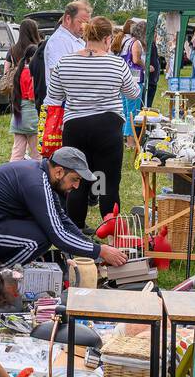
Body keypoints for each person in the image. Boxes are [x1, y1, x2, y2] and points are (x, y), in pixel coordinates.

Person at [0, 148, 129, 267]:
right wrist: (100, 251)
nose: (76, 186)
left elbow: (62, 220)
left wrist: (91, 245)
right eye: (75, 179)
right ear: (59, 172)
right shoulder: (36, 183)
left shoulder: (41, 175)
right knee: (38, 240)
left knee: (42, 234)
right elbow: (58, 235)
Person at [44, 15, 139, 229]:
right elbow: (133, 93)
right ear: (107, 39)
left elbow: (54, 96)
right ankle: (110, 226)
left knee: (76, 179)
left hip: (76, 126)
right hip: (107, 126)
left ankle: (75, 229)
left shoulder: (65, 62)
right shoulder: (116, 64)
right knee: (107, 180)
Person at [6, 18, 41, 161]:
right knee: (36, 151)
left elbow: (6, 70)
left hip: (18, 105)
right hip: (32, 110)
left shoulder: (13, 50)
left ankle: (13, 173)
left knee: (17, 149)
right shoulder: (39, 49)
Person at [43, 0, 91, 83]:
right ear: (68, 18)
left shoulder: (72, 39)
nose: (84, 27)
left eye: (86, 23)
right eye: (81, 22)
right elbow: (58, 76)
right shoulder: (59, 41)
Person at [118, 19, 145, 146]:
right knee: (133, 111)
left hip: (124, 77)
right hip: (134, 78)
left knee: (125, 109)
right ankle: (130, 141)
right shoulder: (136, 42)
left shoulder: (125, 41)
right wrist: (146, 66)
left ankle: (124, 136)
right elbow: (136, 59)